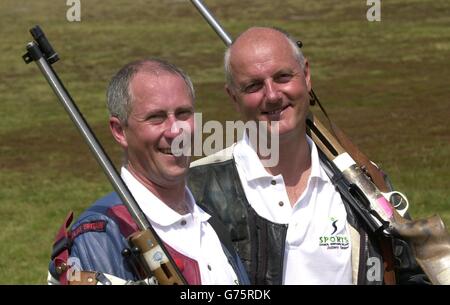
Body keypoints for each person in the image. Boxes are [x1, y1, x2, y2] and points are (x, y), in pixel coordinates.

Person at [187, 27, 427, 285]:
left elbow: (412, 274)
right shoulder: (197, 190)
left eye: (282, 77)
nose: (272, 95)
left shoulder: (364, 180)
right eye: (254, 85)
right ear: (233, 97)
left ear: (307, 76)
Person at [47, 58, 249, 285]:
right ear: (119, 131)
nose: (175, 131)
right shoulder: (99, 237)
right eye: (156, 117)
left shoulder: (210, 221)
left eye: (183, 113)